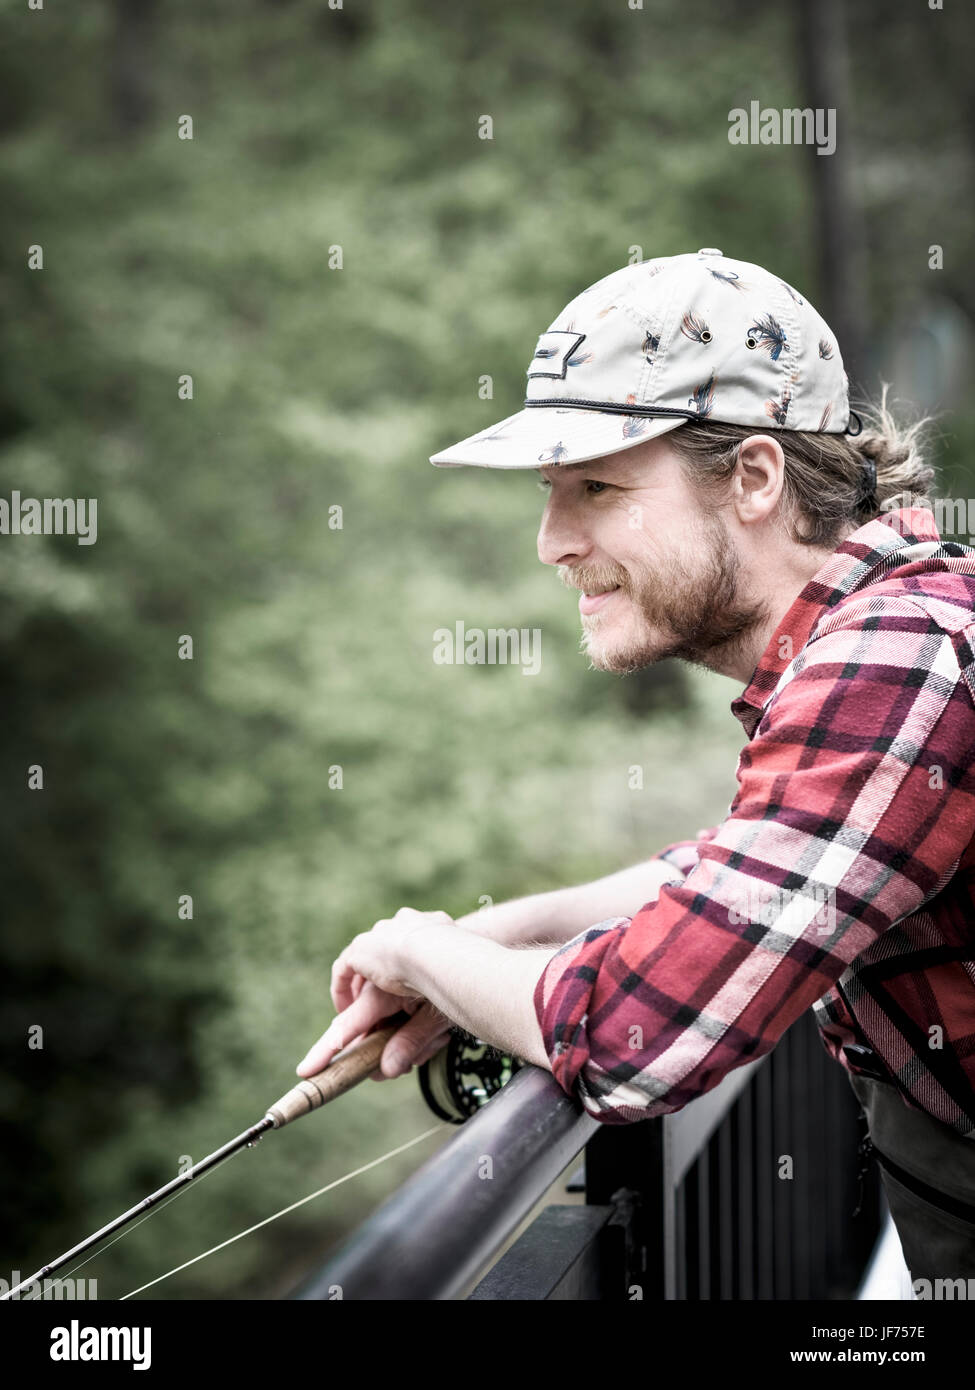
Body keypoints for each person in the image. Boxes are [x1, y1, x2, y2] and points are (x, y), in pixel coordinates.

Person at [296, 249, 975, 1286]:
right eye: (549, 491)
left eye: (598, 488)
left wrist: (424, 954)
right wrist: (513, 929)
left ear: (754, 477)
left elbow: (636, 1035)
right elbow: (761, 868)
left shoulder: (897, 658)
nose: (551, 541)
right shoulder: (895, 622)